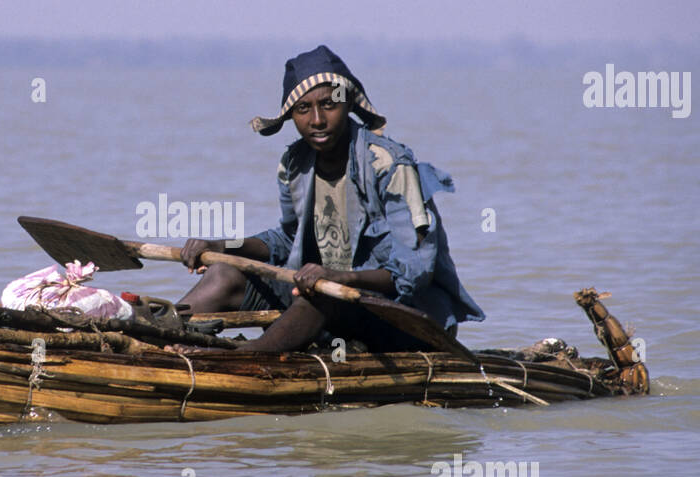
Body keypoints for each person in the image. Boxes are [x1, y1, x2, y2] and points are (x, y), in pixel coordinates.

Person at [178, 44, 484, 352]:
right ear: (291, 117)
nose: (317, 120)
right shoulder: (295, 164)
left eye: (328, 104)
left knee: (325, 293)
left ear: (348, 103)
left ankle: (246, 356)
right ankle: (159, 334)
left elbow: (412, 273)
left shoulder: (388, 166)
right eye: (303, 109)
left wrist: (340, 277)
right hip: (325, 306)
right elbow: (286, 240)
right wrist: (222, 246)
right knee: (225, 273)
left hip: (404, 319)